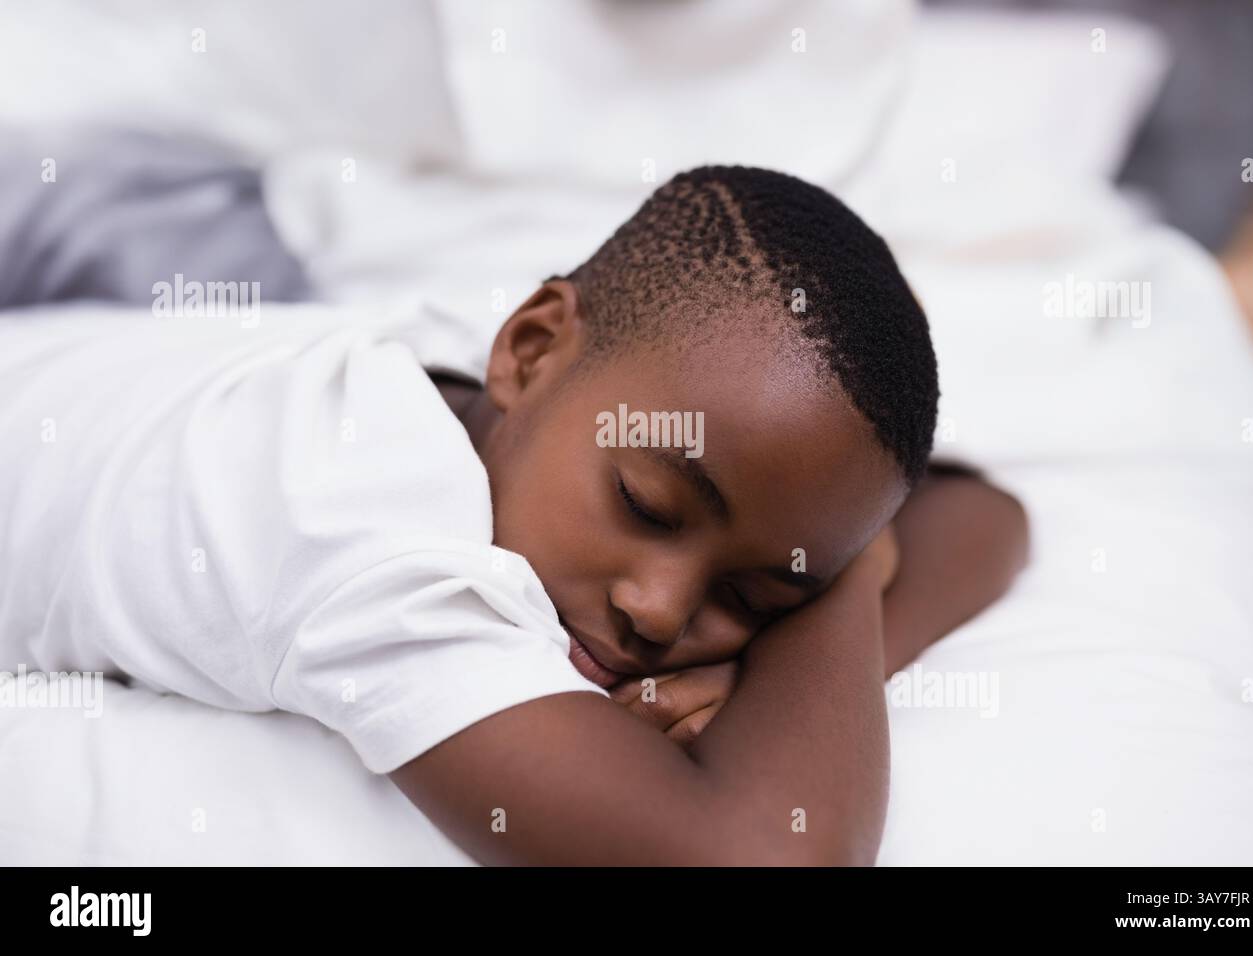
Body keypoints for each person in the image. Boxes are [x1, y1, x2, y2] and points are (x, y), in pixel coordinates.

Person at [0, 165, 1027, 865]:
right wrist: (843, 574)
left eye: (751, 593)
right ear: (529, 347)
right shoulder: (371, 538)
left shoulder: (574, 386)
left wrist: (817, 589)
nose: (659, 611)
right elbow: (765, 850)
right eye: (647, 505)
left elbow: (991, 510)